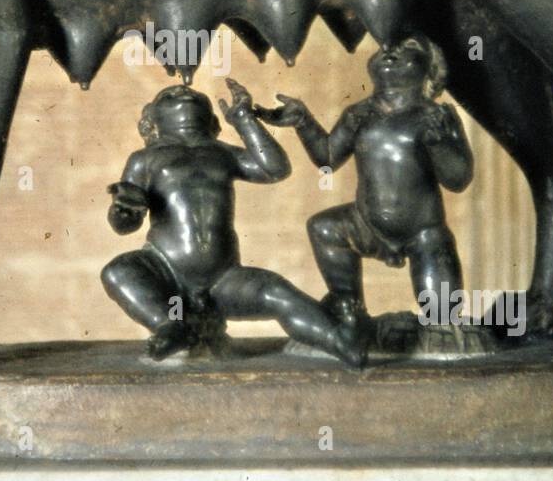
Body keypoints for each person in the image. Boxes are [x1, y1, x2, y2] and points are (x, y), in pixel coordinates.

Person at [103, 79, 365, 366]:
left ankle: (339, 340)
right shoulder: (145, 159)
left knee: (277, 291)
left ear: (213, 122)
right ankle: (169, 325)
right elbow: (125, 223)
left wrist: (244, 120)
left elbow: (274, 168)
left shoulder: (222, 153)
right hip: (166, 271)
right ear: (150, 123)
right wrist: (123, 211)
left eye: (190, 92)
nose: (182, 90)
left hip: (224, 278)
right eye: (169, 94)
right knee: (119, 271)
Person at [256, 35, 473, 339]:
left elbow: (458, 179)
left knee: (443, 319)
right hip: (366, 223)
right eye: (387, 46)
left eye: (409, 49)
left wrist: (439, 145)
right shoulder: (359, 114)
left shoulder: (436, 116)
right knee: (324, 228)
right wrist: (303, 122)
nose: (391, 51)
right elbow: (328, 157)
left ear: (430, 70)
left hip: (424, 231)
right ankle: (349, 309)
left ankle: (441, 321)